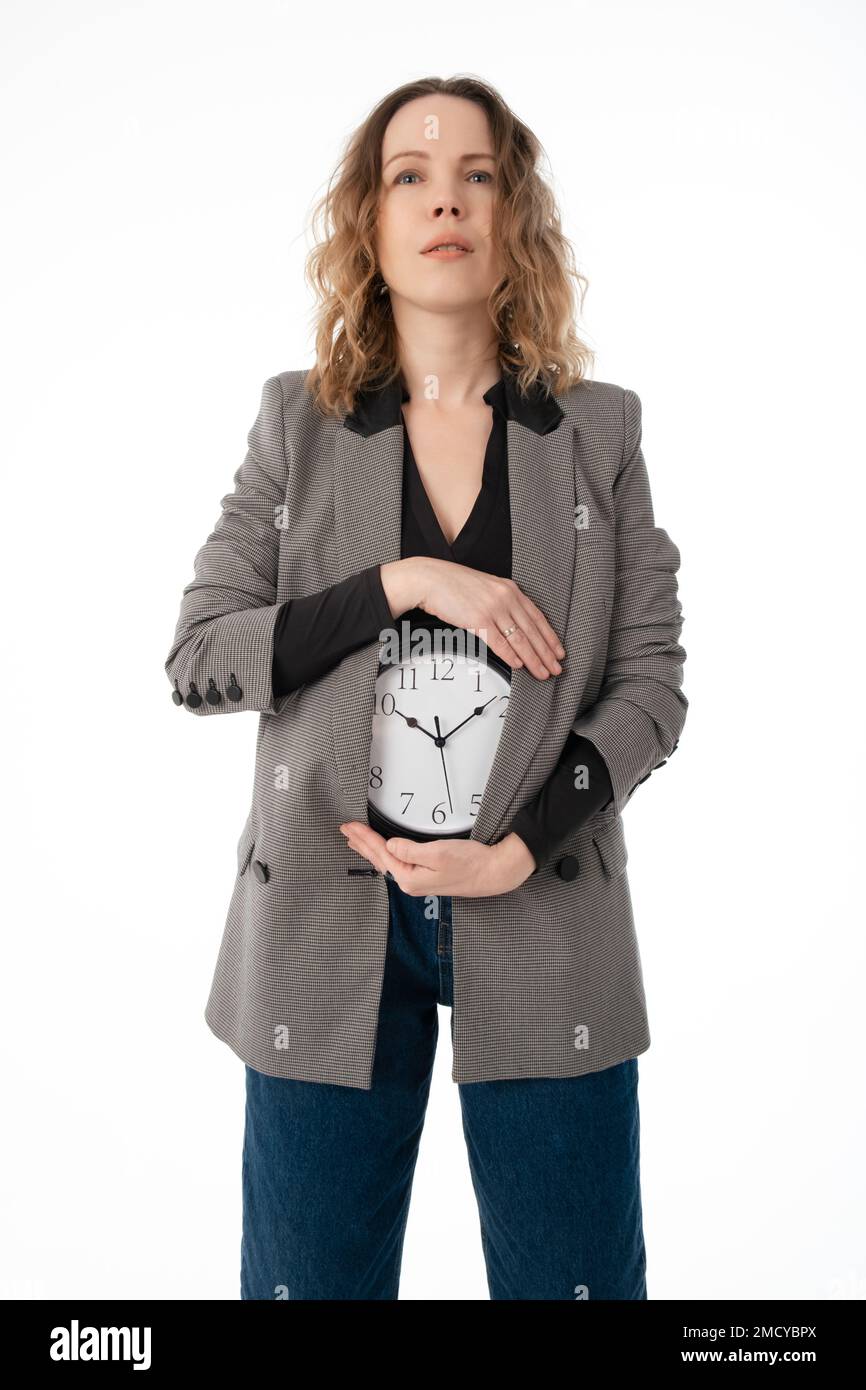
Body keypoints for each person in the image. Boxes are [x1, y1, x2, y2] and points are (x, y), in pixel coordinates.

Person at [165, 75, 687, 1300]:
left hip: (543, 900)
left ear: (515, 220)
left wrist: (523, 844)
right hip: (320, 919)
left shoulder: (597, 433)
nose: (443, 197)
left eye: (477, 174)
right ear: (369, 218)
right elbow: (200, 656)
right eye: (410, 173)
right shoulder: (294, 427)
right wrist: (401, 582)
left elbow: (650, 685)